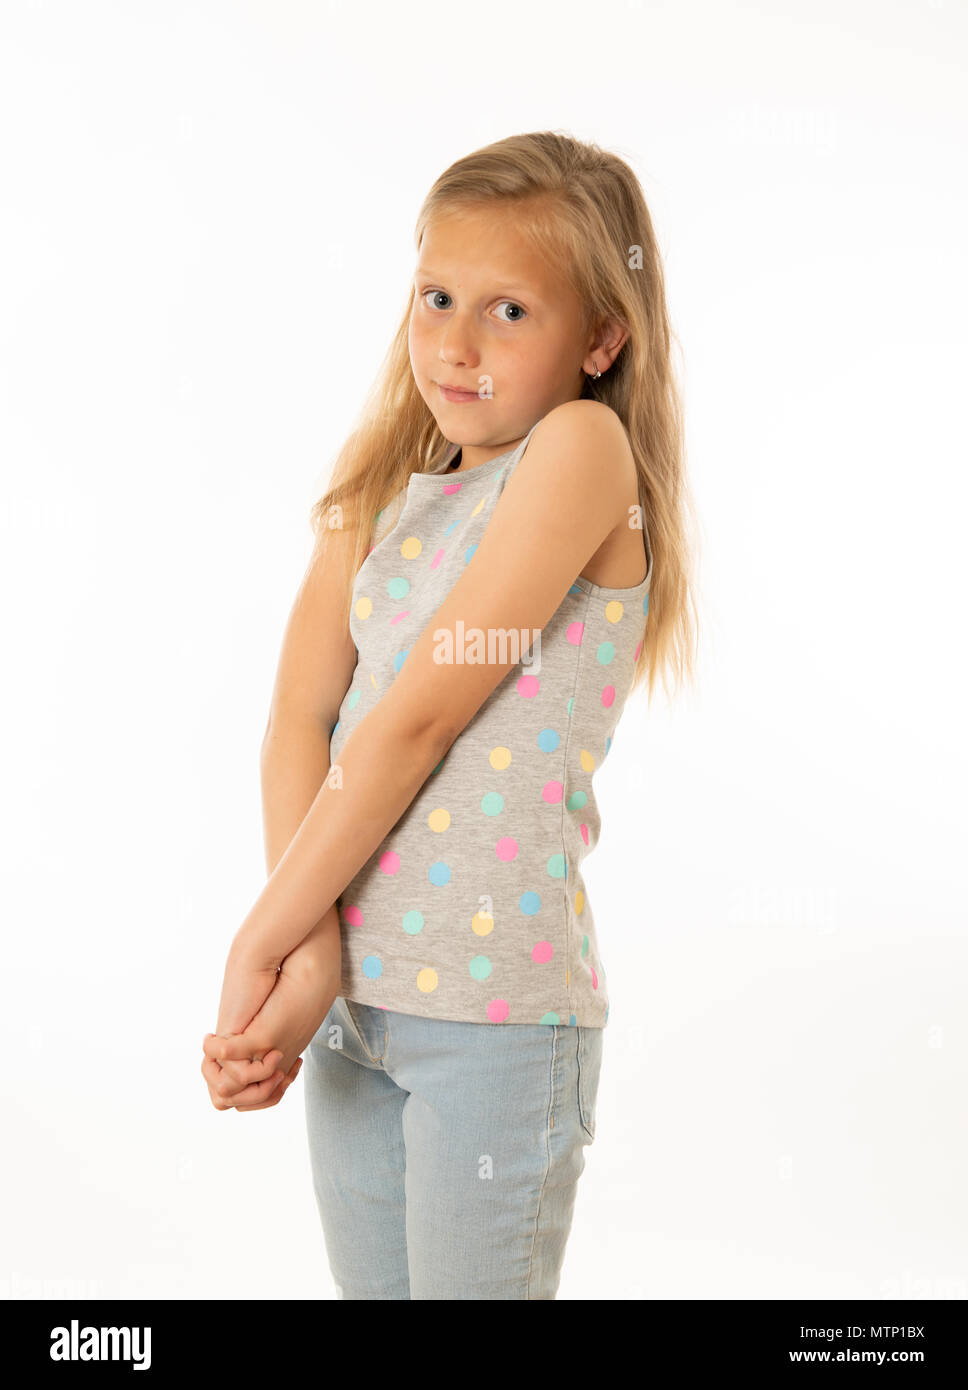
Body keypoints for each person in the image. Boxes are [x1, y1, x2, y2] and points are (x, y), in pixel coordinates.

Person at [200, 130, 699, 1299]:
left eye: (509, 311)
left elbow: (413, 721)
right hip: (349, 1015)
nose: (457, 342)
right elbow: (298, 718)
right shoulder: (376, 488)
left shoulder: (581, 448)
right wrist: (311, 951)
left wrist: (260, 935)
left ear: (600, 338)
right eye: (436, 296)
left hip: (492, 1022)